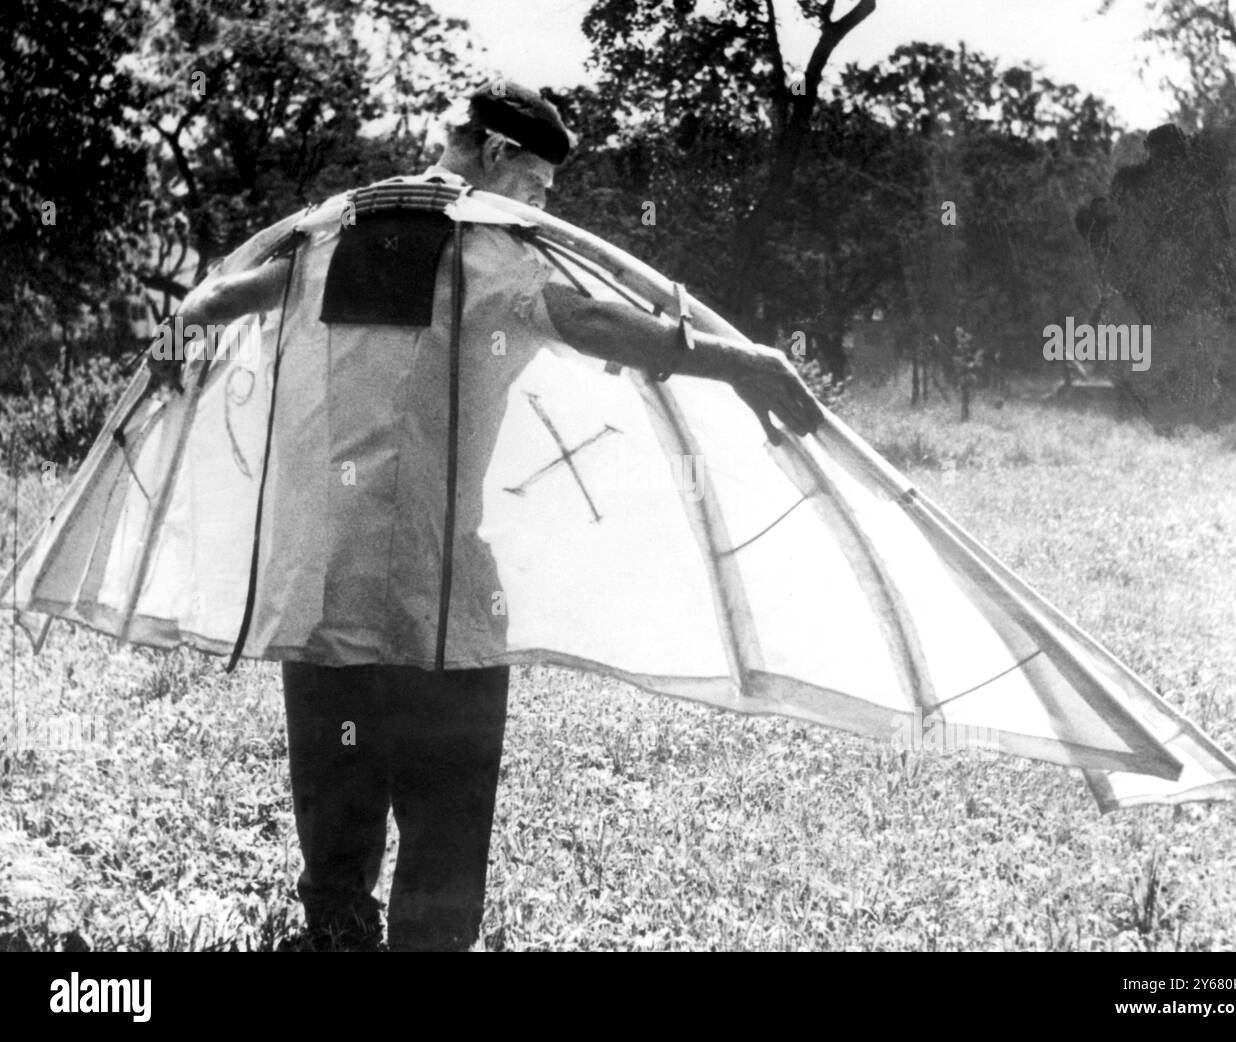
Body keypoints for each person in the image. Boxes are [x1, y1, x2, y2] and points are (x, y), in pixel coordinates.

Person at [158, 80, 820, 951]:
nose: (541, 204)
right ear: (500, 155)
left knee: (337, 782)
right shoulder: (491, 256)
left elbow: (206, 303)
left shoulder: (330, 240)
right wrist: (746, 362)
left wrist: (178, 332)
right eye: (540, 187)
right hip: (434, 598)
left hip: (317, 585)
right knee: (447, 799)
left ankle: (338, 928)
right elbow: (601, 324)